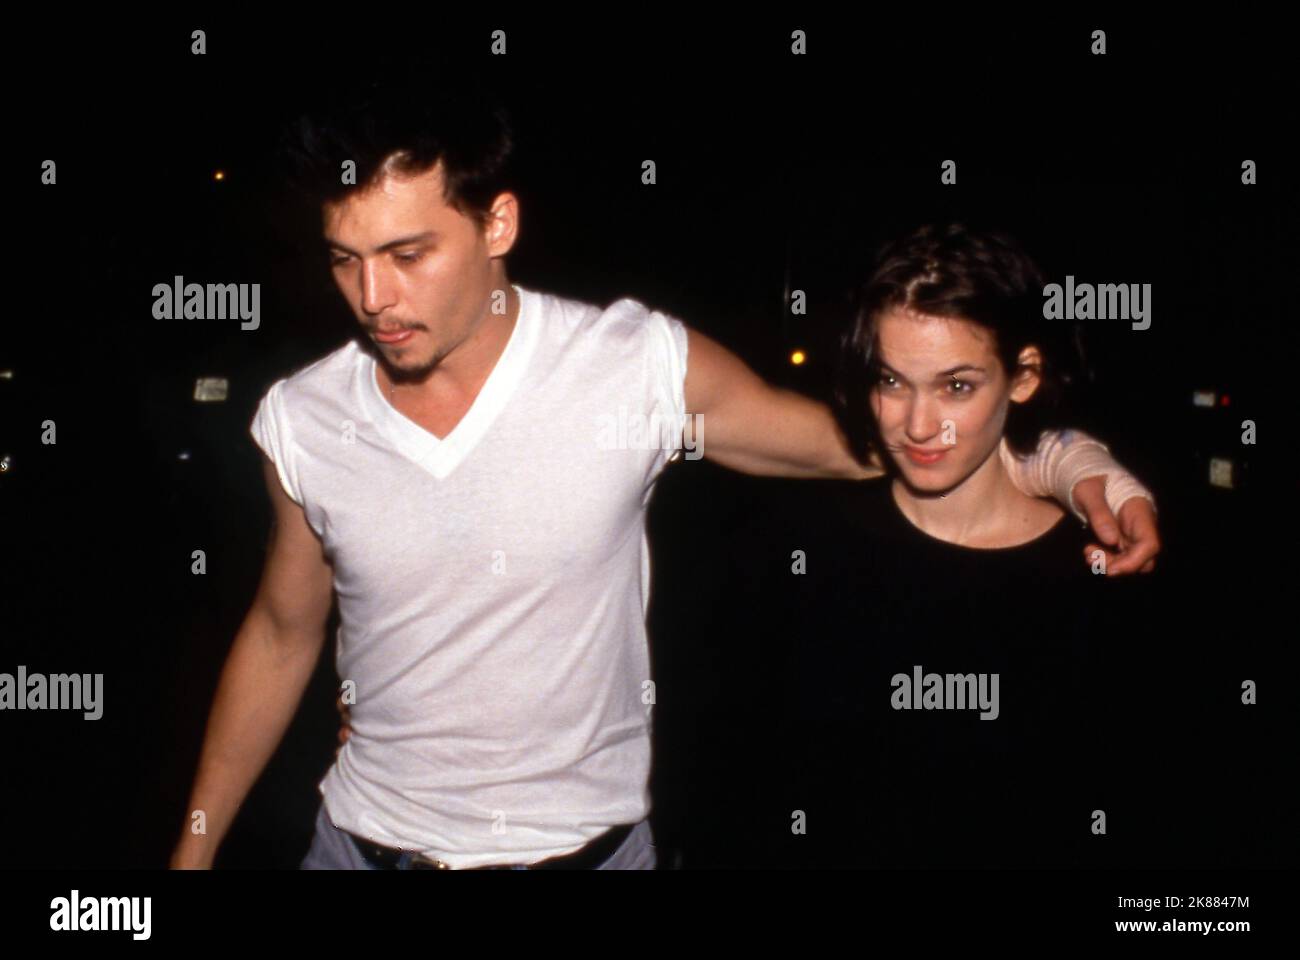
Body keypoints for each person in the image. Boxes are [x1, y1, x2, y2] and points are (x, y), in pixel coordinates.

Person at [169, 76, 1158, 871]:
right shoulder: (304, 416)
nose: (372, 298)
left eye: (407, 252)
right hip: (357, 846)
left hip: (595, 854)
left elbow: (891, 440)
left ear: (497, 225)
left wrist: (1074, 461)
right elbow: (282, 628)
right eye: (345, 260)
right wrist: (194, 849)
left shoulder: (632, 365)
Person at [718, 222, 1138, 868]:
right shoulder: (796, 548)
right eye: (891, 382)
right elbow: (752, 789)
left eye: (957, 386)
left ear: (1023, 377)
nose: (917, 425)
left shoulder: (1094, 580)